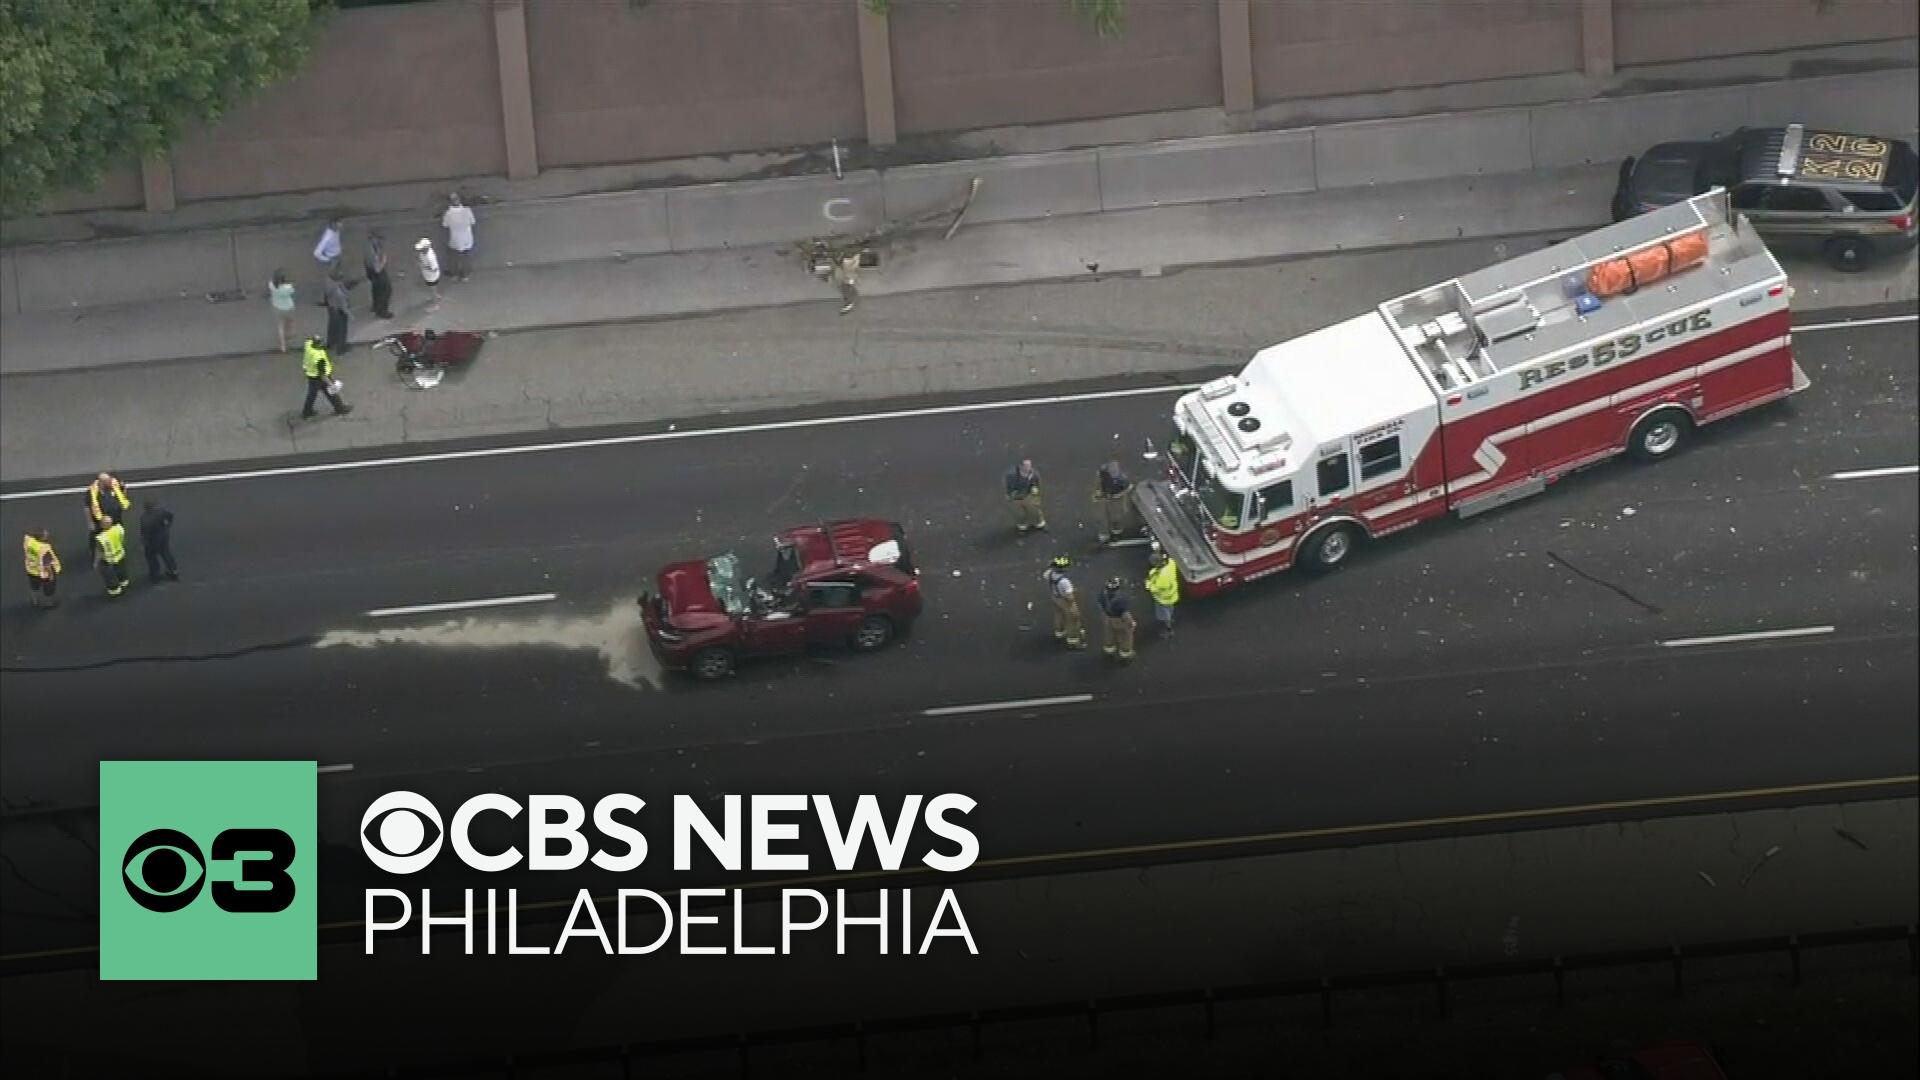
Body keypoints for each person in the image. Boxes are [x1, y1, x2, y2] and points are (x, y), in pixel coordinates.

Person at [301, 336, 353, 419]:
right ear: (319, 344)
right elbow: (323, 375)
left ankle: (307, 411)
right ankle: (340, 408)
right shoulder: (318, 358)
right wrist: (331, 384)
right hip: (318, 376)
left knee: (312, 394)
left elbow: (308, 339)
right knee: (331, 392)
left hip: (311, 374)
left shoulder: (308, 345)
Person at [1042, 555, 1085, 649]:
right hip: (1065, 600)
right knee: (1073, 620)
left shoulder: (1049, 573)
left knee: (1059, 614)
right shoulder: (1065, 582)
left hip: (1055, 597)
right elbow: (1070, 598)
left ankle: (1059, 632)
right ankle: (1073, 640)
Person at [1093, 459, 1134, 542]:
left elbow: (1128, 487)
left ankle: (1116, 531)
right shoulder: (1103, 475)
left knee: (1116, 514)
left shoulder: (1120, 480)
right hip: (1107, 496)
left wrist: (1116, 495)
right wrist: (1099, 494)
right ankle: (1106, 534)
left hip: (1115, 497)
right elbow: (1098, 485)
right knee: (1103, 516)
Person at [1096, 576, 1135, 660]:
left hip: (1107, 617)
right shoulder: (1121, 600)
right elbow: (1126, 615)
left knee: (1109, 634)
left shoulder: (1102, 594)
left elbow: (1099, 605)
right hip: (1119, 620)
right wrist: (1131, 624)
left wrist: (1105, 617)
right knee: (1126, 635)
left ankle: (1109, 650)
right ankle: (1125, 654)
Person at [140, 500, 179, 583]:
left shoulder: (145, 519)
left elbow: (145, 533)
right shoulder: (161, 511)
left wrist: (144, 543)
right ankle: (173, 571)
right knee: (166, 554)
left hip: (152, 542)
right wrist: (168, 526)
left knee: (151, 558)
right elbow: (170, 516)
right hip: (163, 537)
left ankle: (155, 574)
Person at [1145, 549, 1181, 638]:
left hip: (1163, 598)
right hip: (1172, 594)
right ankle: (1169, 620)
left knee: (1164, 614)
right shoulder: (1171, 563)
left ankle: (1168, 629)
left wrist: (1148, 585)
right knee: (1170, 609)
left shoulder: (1162, 576)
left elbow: (1156, 588)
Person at [23, 530, 61, 610]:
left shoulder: (29, 541)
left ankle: (34, 600)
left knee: (34, 587)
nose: (47, 535)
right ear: (42, 538)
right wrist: (51, 576)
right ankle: (48, 603)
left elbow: (27, 535)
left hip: (32, 569)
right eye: (45, 534)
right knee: (48, 589)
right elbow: (47, 565)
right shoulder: (44, 549)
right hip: (44, 573)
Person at [441, 194, 476, 281]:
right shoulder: (467, 210)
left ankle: (454, 274)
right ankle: (465, 275)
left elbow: (445, 225)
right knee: (466, 257)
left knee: (454, 258)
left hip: (455, 240)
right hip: (467, 239)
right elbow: (473, 222)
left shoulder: (449, 213)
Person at [1005, 459, 1046, 533]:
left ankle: (1038, 523)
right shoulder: (1012, 475)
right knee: (1020, 512)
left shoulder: (1034, 474)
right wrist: (1010, 495)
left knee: (1035, 510)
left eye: (1029, 465)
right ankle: (1023, 525)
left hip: (1029, 495)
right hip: (1017, 497)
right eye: (1026, 466)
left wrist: (1037, 494)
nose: (1028, 468)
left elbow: (1038, 484)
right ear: (1020, 466)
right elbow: (1009, 486)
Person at [93, 517, 130, 597]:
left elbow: (100, 552)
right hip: (120, 554)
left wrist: (96, 562)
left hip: (109, 559)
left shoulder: (101, 538)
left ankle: (115, 590)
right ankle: (124, 582)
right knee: (121, 569)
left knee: (109, 575)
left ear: (102, 525)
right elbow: (122, 539)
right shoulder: (119, 528)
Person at [323, 269, 355, 354]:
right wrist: (350, 315)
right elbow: (344, 306)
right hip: (339, 311)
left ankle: (331, 343)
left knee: (332, 326)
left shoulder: (329, 283)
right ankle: (341, 348)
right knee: (342, 329)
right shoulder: (339, 292)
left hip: (331, 308)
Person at [364, 231, 394, 320]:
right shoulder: (372, 253)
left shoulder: (369, 246)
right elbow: (377, 269)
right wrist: (384, 261)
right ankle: (382, 311)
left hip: (370, 271)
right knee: (386, 290)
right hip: (377, 272)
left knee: (376, 289)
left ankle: (375, 306)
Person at [268, 270, 298, 352]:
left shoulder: (271, 285)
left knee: (280, 326)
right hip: (289, 307)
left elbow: (272, 283)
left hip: (277, 307)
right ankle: (289, 336)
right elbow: (292, 291)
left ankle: (283, 346)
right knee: (290, 323)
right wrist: (291, 285)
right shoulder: (288, 288)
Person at [415, 238, 443, 310]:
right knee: (433, 289)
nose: (420, 250)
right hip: (428, 275)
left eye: (422, 248)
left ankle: (435, 304)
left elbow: (433, 269)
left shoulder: (430, 257)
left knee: (432, 289)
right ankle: (436, 296)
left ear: (426, 248)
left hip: (432, 277)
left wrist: (422, 266)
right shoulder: (423, 252)